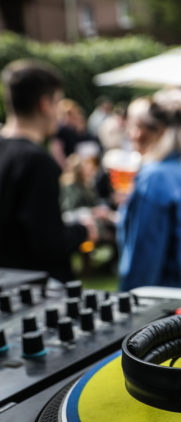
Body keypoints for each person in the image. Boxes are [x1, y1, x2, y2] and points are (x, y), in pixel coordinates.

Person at [0, 59, 96, 282]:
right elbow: (48, 244)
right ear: (45, 104)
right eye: (57, 103)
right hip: (31, 294)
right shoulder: (37, 162)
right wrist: (83, 230)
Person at [118, 89, 181, 291]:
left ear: (157, 130)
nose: (131, 134)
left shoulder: (154, 178)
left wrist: (131, 298)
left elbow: (144, 255)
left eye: (137, 126)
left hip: (171, 297)